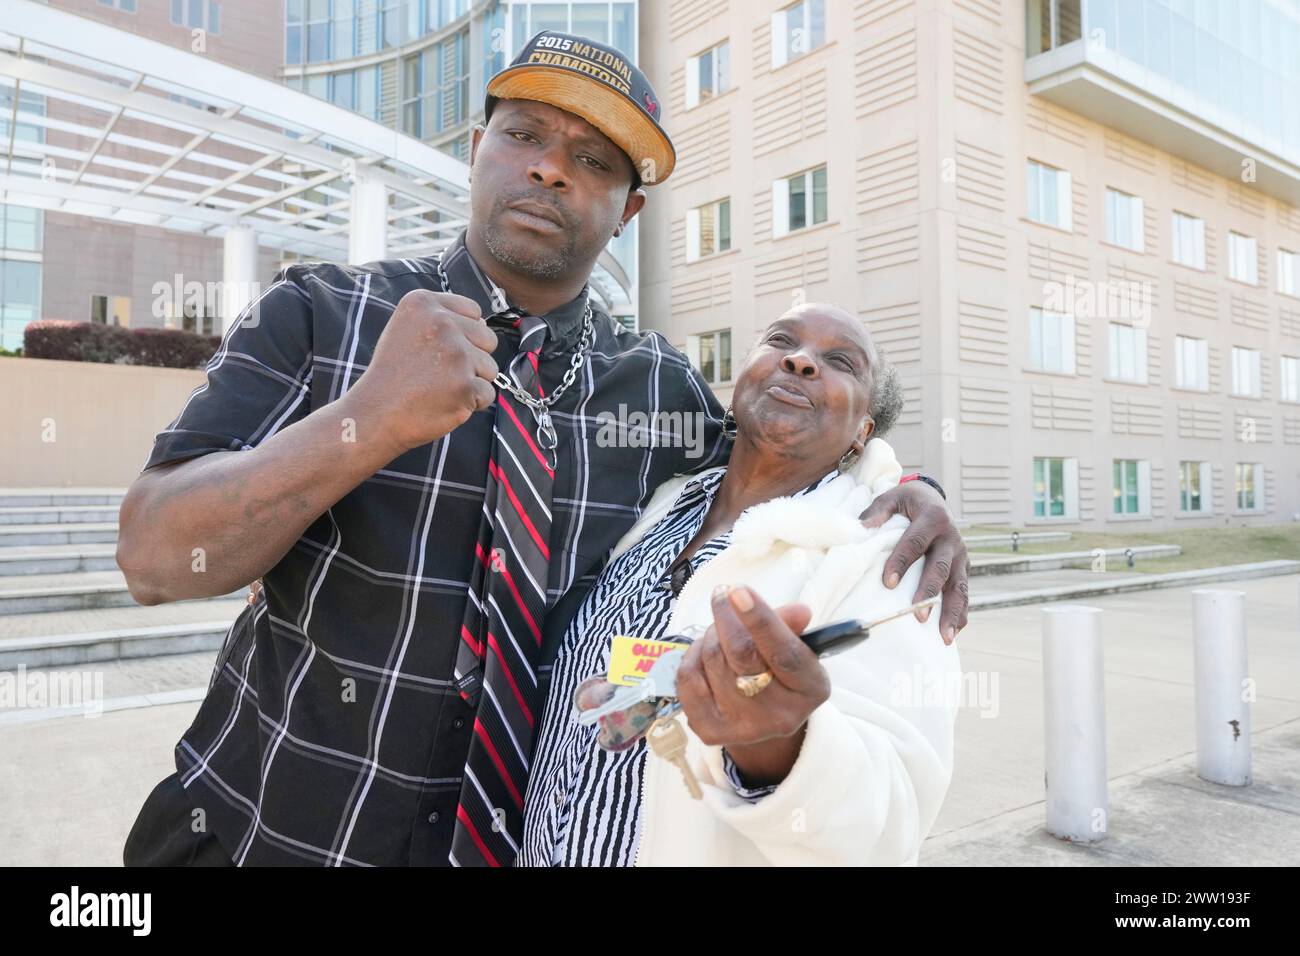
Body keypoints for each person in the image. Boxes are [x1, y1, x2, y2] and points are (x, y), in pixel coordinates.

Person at [118, 31, 969, 867]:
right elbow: (155, 560)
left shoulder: (661, 389)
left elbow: (785, 460)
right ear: (478, 147)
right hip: (265, 833)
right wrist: (369, 419)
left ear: (629, 211)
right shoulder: (319, 313)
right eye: (524, 134)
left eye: (596, 161)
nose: (552, 168)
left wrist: (909, 489)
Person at [520, 303, 959, 866]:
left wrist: (778, 746)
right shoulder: (659, 501)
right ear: (743, 374)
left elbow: (892, 817)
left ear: (864, 430)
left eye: (840, 362)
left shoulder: (887, 557)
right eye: (782, 340)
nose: (800, 361)